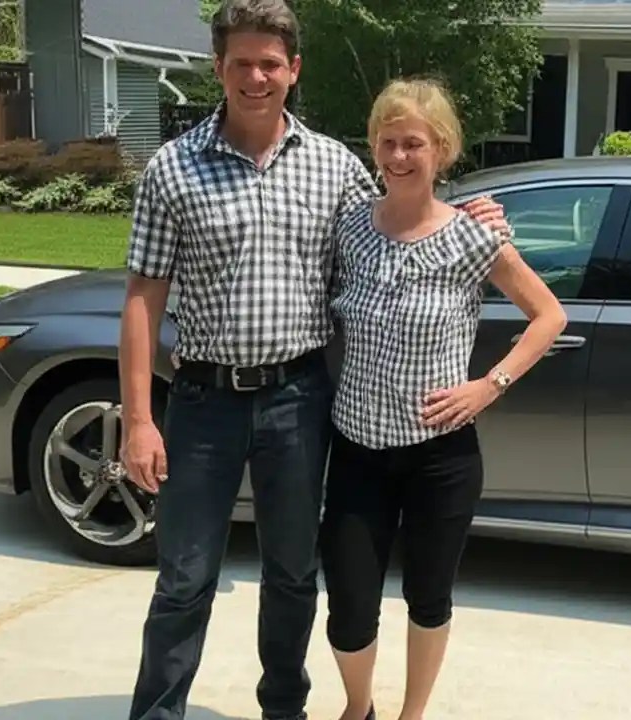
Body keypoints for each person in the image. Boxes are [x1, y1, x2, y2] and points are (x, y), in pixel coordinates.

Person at [116, 3, 508, 719]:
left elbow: (402, 216)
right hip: (202, 402)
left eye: (270, 63)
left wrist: (472, 216)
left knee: (293, 574)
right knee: (184, 577)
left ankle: (284, 710)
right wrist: (139, 420)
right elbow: (144, 297)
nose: (256, 77)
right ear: (219, 69)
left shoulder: (335, 167)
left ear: (293, 69)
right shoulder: (173, 168)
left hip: (298, 399)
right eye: (241, 63)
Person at [317, 77, 567, 720]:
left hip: (440, 457)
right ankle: (358, 708)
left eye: (414, 144)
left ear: (442, 150)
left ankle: (412, 715)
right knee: (348, 605)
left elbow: (548, 315)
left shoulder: (472, 238)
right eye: (388, 142)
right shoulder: (350, 227)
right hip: (357, 452)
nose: (399, 156)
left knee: (429, 598)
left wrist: (489, 385)